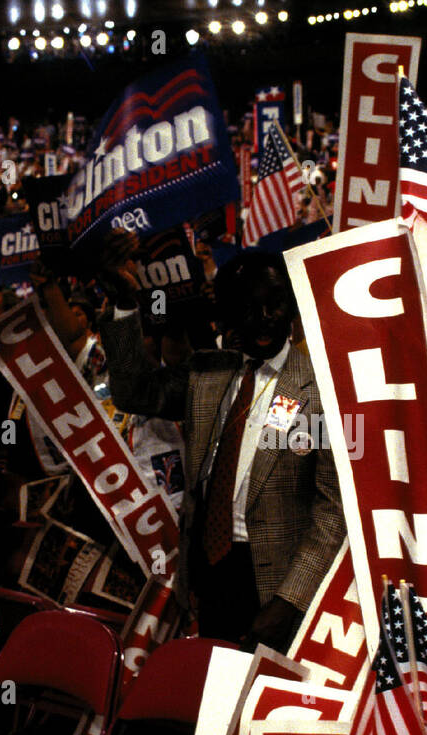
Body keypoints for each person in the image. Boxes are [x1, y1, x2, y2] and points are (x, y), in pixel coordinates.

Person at [96, 232, 346, 653]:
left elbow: (332, 510)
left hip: (278, 587)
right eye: (246, 309)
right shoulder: (206, 373)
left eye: (274, 305)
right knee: (210, 704)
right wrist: (124, 305)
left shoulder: (321, 387)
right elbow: (133, 391)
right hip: (210, 574)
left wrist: (291, 600)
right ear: (225, 318)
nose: (264, 318)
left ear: (293, 309)